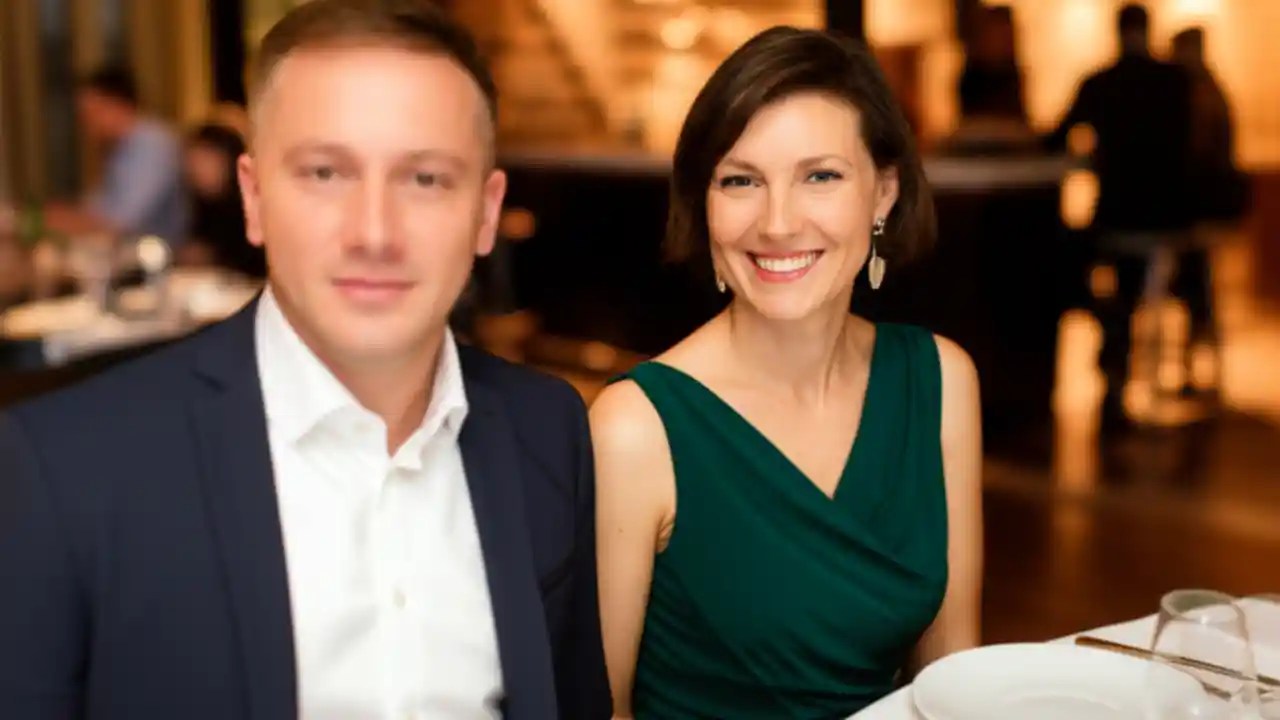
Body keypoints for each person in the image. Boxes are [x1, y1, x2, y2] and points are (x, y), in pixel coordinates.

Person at [0, 1, 610, 718]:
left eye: (425, 179)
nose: (374, 233)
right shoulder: (65, 466)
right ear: (254, 199)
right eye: (325, 173)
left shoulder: (548, 429)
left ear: (484, 212)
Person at [591, 26, 984, 719]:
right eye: (740, 180)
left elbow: (951, 681)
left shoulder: (941, 381)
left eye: (820, 176)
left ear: (884, 193)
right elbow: (602, 710)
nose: (777, 222)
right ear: (704, 203)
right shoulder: (636, 428)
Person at [1044, 4, 1194, 426]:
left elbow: (1055, 138)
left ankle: (1115, 365)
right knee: (1153, 288)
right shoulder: (1175, 83)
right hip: (1167, 219)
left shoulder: (1100, 83)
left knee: (1102, 285)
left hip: (1117, 216)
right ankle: (1151, 368)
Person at [41, 65, 187, 247]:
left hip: (159, 258)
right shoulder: (121, 148)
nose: (86, 123)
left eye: (91, 113)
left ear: (116, 105)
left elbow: (121, 221)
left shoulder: (152, 144)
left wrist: (49, 220)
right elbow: (98, 205)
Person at [181, 122, 266, 277]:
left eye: (206, 160)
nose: (196, 169)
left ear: (229, 161)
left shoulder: (252, 203)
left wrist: (212, 257)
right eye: (192, 160)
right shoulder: (200, 203)